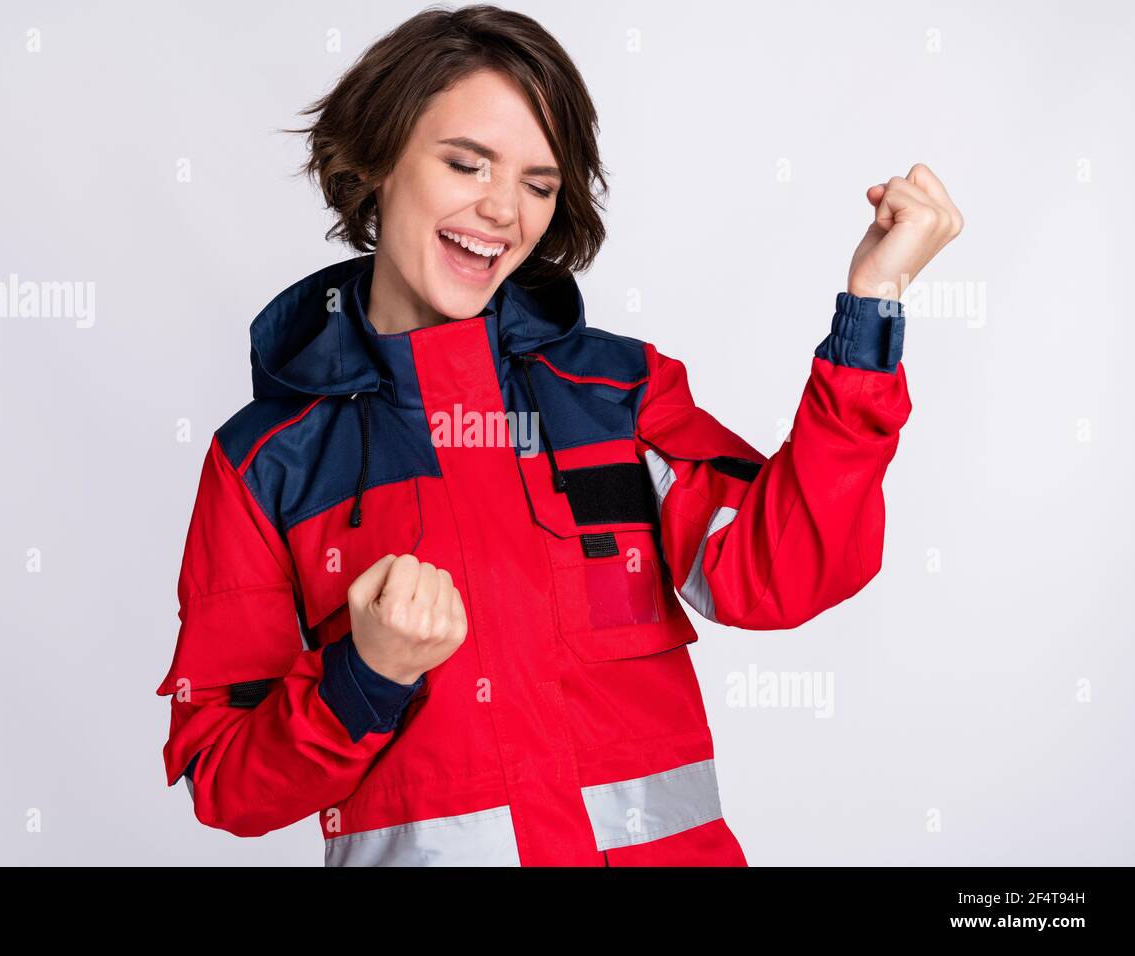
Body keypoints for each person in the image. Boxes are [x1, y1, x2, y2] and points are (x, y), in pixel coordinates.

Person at [154, 4, 962, 866]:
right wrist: (366, 675)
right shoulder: (266, 464)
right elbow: (226, 782)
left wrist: (871, 311)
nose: (501, 208)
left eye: (539, 185)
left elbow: (783, 571)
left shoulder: (615, 394)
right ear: (377, 159)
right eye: (467, 163)